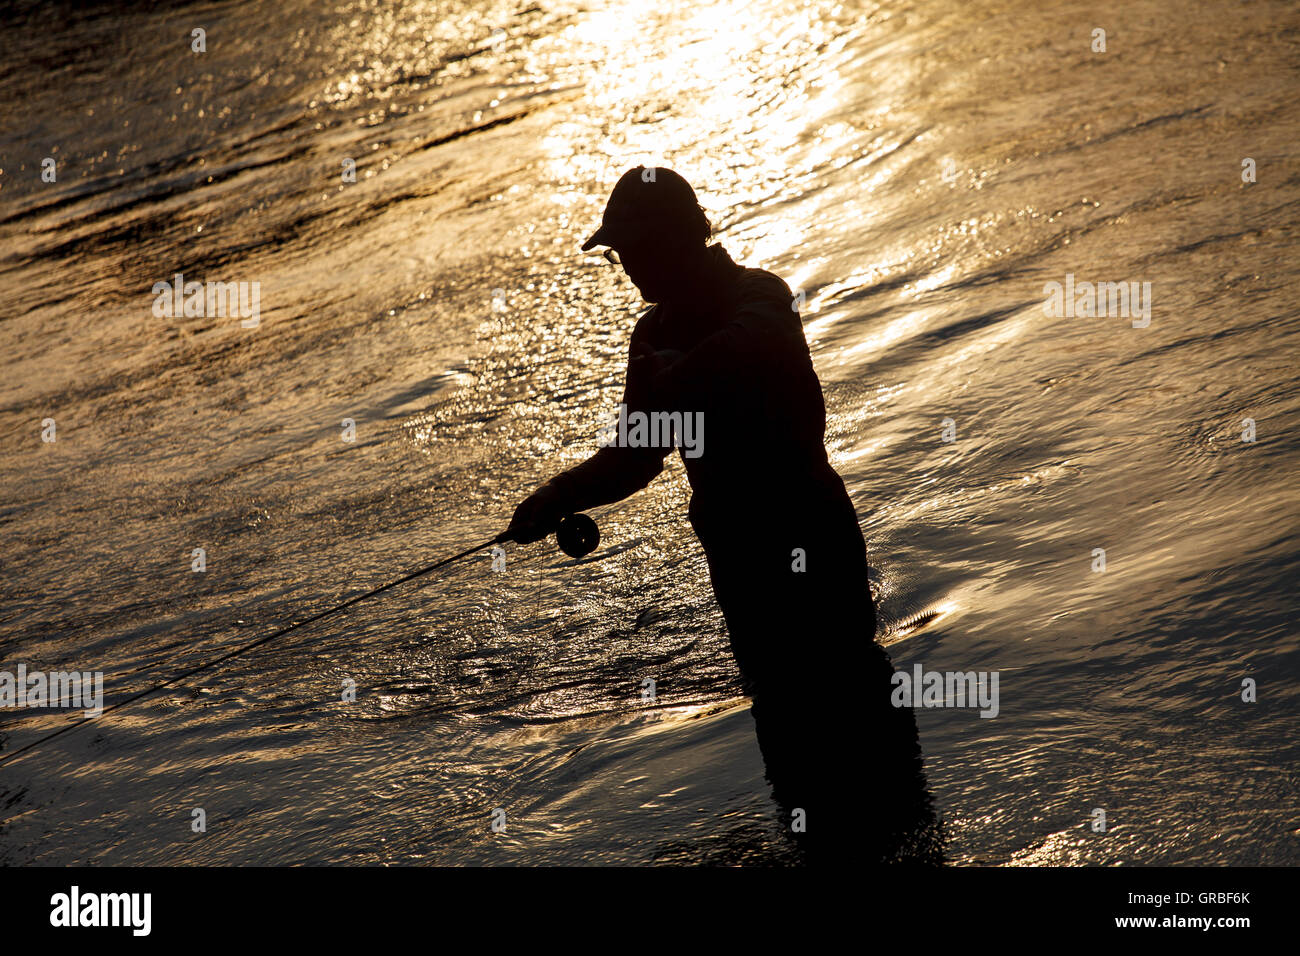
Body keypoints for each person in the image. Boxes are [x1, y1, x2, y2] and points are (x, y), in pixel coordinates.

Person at [508, 166, 942, 864]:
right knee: (789, 743)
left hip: (813, 543)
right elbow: (636, 457)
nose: (626, 270)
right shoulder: (651, 336)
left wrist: (670, 377)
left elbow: (750, 349)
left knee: (866, 726)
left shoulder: (759, 295)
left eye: (632, 251)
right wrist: (556, 497)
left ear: (678, 239)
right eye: (618, 257)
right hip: (741, 569)